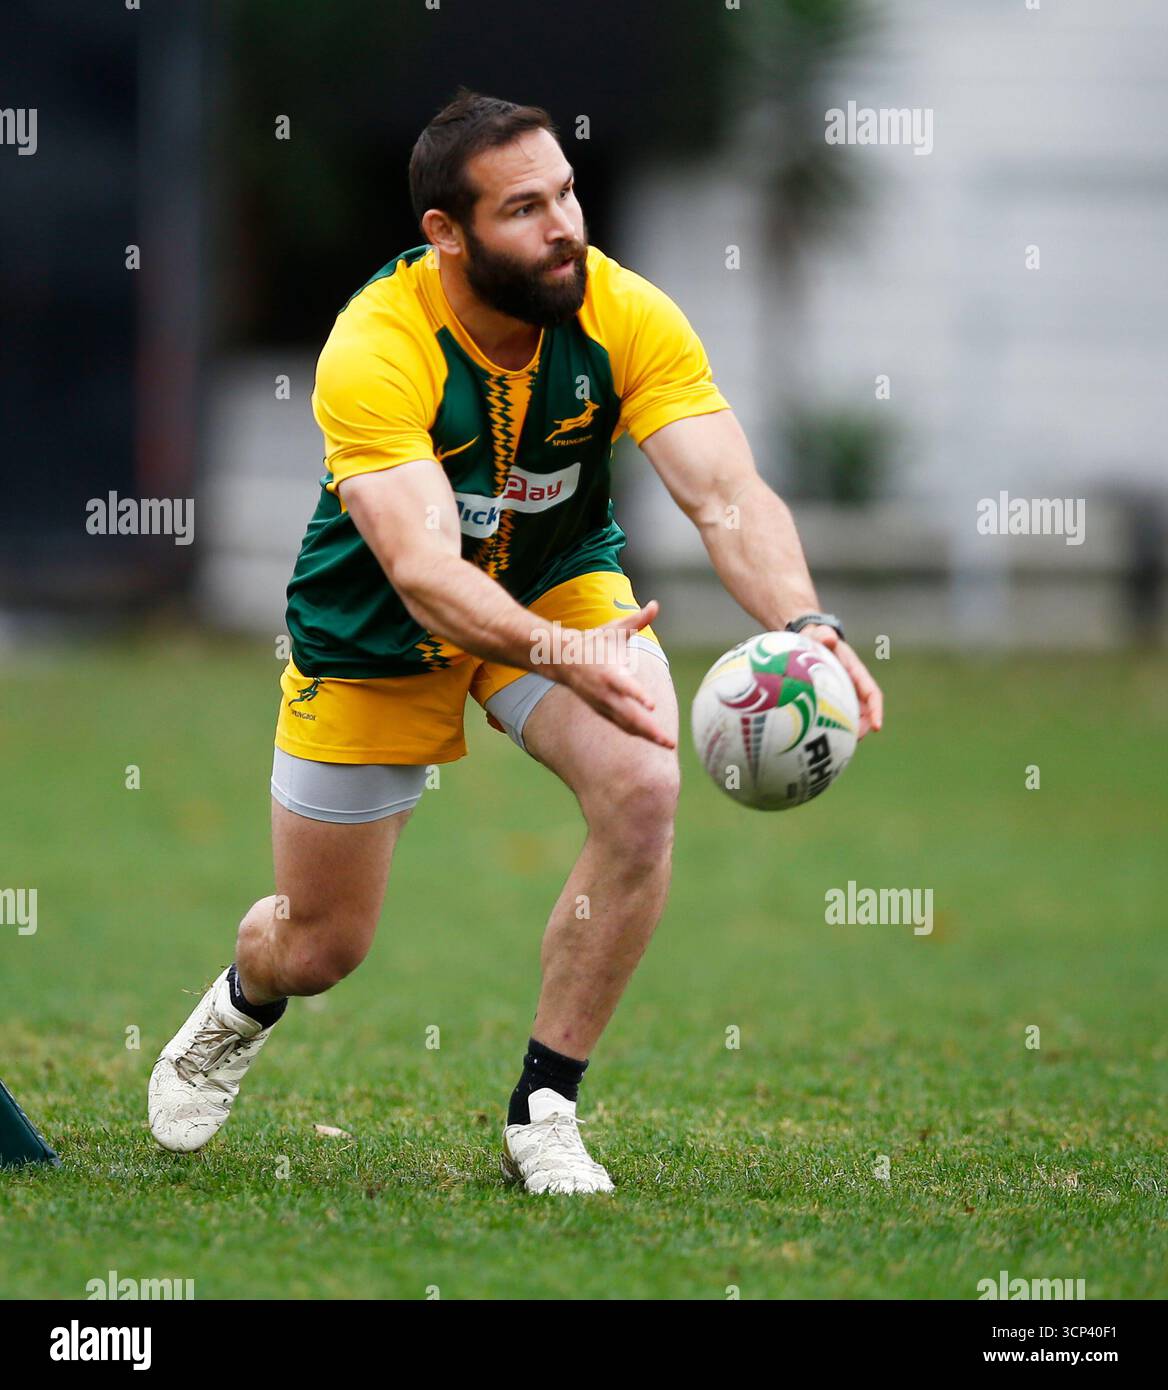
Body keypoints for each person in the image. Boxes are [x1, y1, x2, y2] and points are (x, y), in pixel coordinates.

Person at [148, 88, 883, 1195]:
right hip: (382, 627)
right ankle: (243, 1000)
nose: (565, 229)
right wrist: (553, 653)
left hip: (556, 577)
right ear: (446, 232)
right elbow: (424, 573)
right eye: (525, 209)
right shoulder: (377, 346)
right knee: (320, 944)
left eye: (569, 194)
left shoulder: (622, 311)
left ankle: (544, 1106)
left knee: (642, 785)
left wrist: (805, 623)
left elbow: (725, 492)